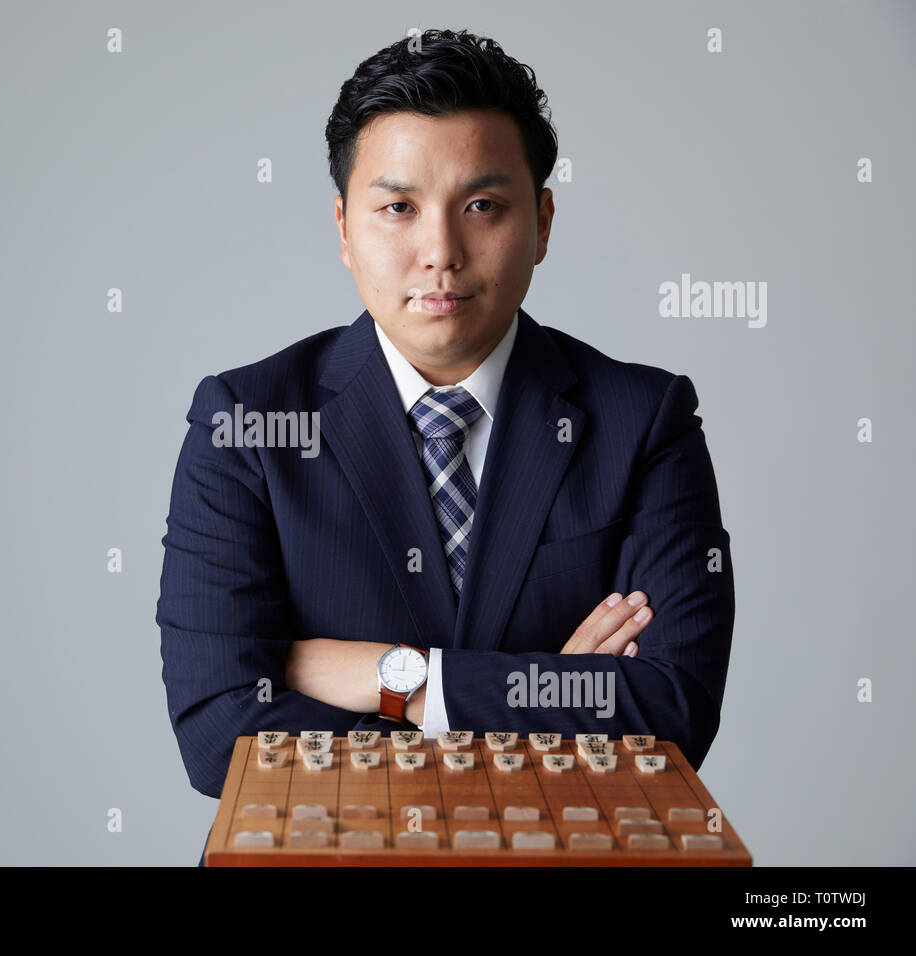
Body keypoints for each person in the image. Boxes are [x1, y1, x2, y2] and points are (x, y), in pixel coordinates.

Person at [157, 29, 735, 821]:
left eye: (482, 207)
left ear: (543, 221)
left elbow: (670, 715)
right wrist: (546, 697)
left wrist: (403, 680)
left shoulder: (643, 421)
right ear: (342, 227)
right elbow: (221, 736)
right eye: (398, 207)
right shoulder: (248, 423)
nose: (441, 252)